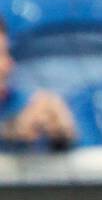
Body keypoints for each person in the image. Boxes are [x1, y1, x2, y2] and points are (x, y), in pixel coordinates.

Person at [0, 15, 77, 148]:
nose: (8, 65)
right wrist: (12, 128)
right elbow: (14, 128)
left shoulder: (19, 101)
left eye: (6, 53)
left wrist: (60, 138)